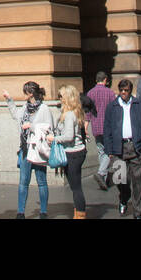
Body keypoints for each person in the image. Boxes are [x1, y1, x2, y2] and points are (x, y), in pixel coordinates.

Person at [103, 78, 141, 219]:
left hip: (136, 147)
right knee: (120, 178)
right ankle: (124, 197)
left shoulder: (138, 104)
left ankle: (138, 212)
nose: (124, 93)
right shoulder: (112, 106)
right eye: (122, 91)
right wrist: (109, 149)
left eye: (126, 91)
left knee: (138, 181)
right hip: (119, 148)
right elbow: (107, 129)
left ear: (131, 91)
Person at [4, 81, 53, 218]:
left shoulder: (44, 109)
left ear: (31, 93)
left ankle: (43, 211)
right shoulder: (25, 107)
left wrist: (31, 126)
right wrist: (9, 100)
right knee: (23, 182)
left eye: (24, 92)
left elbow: (49, 129)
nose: (23, 95)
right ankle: (21, 212)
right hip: (25, 149)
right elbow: (16, 115)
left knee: (41, 181)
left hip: (38, 150)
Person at [47, 84, 88, 218]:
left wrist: (54, 139)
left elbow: (69, 136)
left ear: (68, 98)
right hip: (74, 152)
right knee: (75, 186)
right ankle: (78, 213)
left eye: (61, 96)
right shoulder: (71, 112)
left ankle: (80, 215)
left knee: (76, 187)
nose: (59, 99)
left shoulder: (70, 115)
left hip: (73, 153)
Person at [85, 71, 116, 190]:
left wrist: (86, 126)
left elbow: (87, 112)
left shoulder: (90, 93)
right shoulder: (110, 92)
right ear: (105, 80)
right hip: (108, 126)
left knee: (101, 151)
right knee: (109, 151)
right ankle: (101, 173)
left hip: (96, 126)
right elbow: (114, 109)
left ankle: (104, 177)